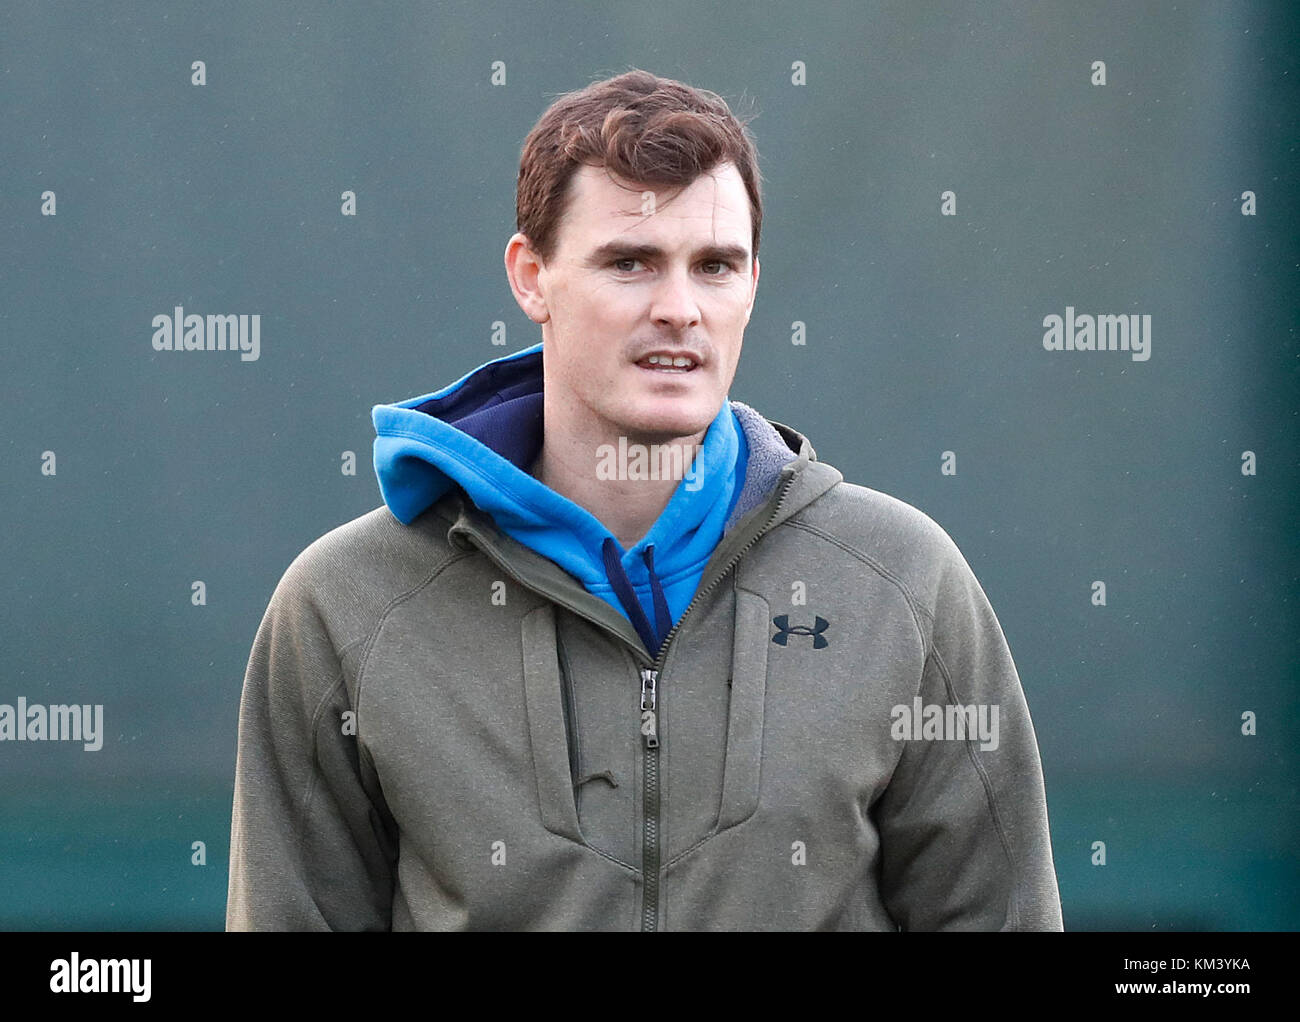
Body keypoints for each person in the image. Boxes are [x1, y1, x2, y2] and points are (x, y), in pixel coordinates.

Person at [225, 68, 1064, 931]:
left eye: (715, 267)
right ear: (531, 277)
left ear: (752, 284)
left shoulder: (903, 582)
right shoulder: (343, 606)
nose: (679, 309)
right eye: (630, 262)